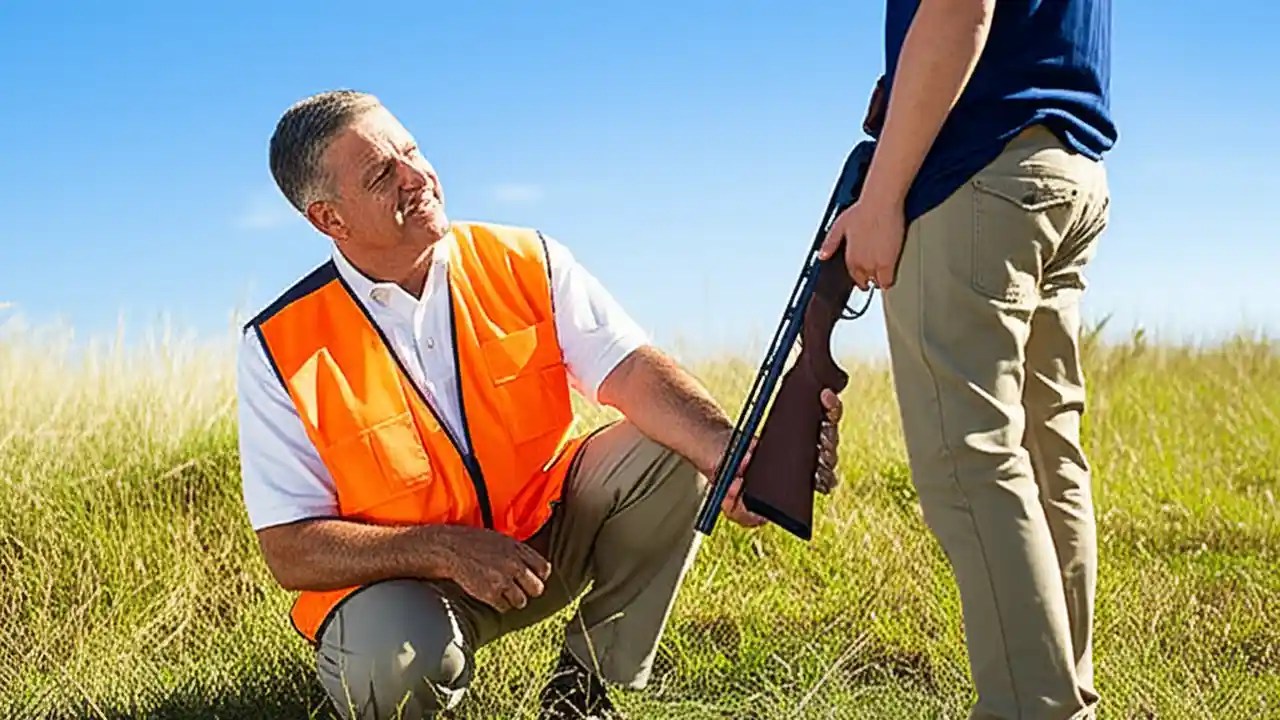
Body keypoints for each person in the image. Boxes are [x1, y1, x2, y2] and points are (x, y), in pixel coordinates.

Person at [235, 89, 845, 720]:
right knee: (389, 666)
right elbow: (291, 547)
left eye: (411, 151)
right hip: (410, 586)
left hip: (545, 541)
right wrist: (444, 549)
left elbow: (631, 368)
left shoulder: (526, 259)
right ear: (329, 219)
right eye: (382, 174)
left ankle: (583, 690)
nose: (418, 177)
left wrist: (732, 458)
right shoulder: (278, 346)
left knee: (675, 446)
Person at [818, 1, 1116, 719]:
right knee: (1046, 457)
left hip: (977, 174)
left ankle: (1032, 709)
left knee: (970, 462)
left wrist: (884, 195)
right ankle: (1061, 696)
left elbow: (960, 9)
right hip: (1064, 167)